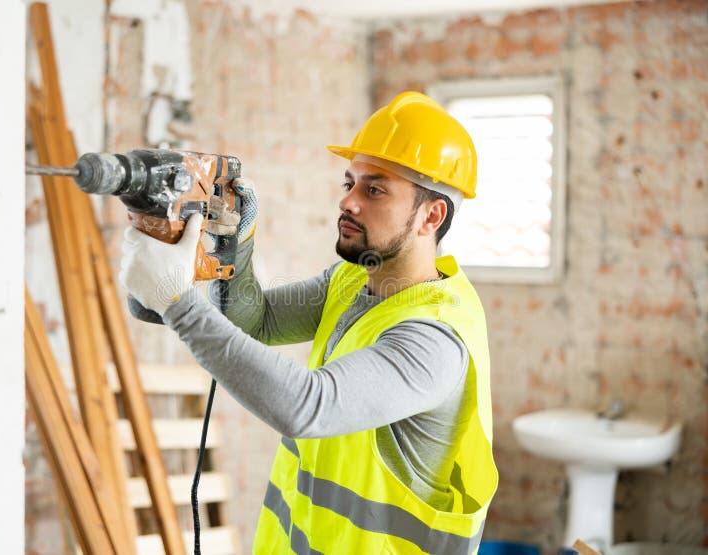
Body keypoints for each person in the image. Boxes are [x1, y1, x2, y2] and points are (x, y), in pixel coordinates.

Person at [119, 91, 498, 554]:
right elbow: (256, 322)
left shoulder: (434, 339)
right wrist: (234, 242)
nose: (348, 202)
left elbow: (308, 405)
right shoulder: (353, 280)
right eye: (349, 183)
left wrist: (177, 301)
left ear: (431, 216)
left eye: (374, 189)